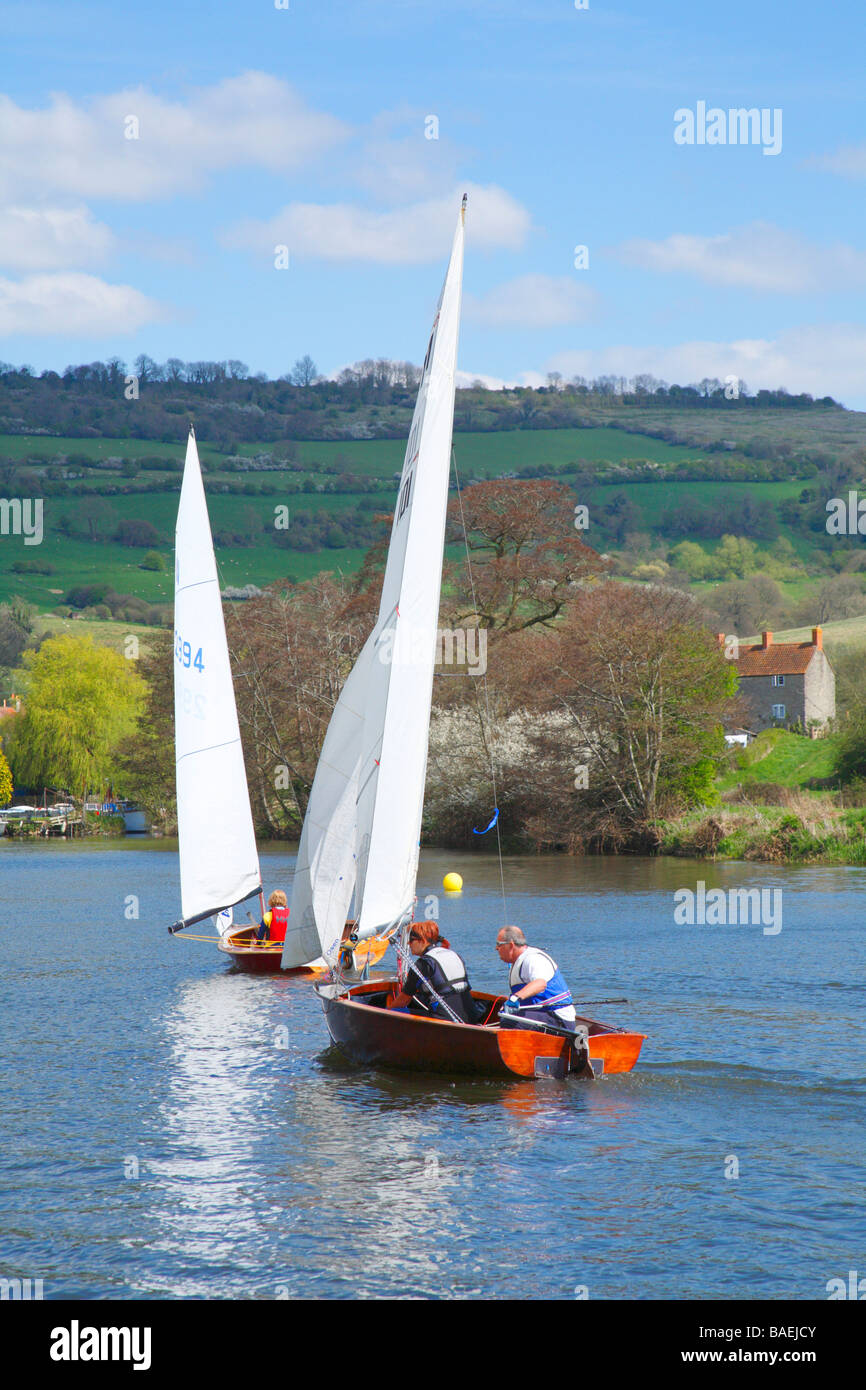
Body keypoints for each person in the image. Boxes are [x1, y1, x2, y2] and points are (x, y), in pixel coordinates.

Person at [386, 920, 482, 1023]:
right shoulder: (454, 955)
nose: (408, 944)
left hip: (445, 1019)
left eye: (411, 940)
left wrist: (386, 1011)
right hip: (471, 1016)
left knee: (394, 1012)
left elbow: (404, 1000)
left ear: (422, 940)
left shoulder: (423, 964)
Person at [494, 925, 577, 1029]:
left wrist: (515, 998)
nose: (496, 948)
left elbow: (540, 984)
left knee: (509, 1022)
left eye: (499, 944)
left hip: (558, 1018)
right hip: (541, 1014)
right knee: (504, 1015)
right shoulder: (518, 961)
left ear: (511, 945)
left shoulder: (533, 958)